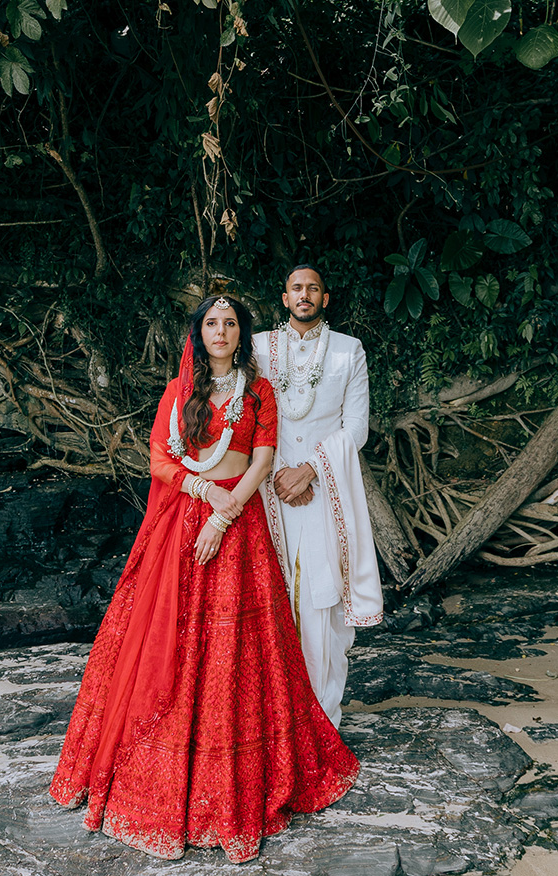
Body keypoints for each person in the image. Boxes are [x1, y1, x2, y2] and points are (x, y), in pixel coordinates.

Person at [49, 295, 358, 863]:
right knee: (166, 642)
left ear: (242, 334)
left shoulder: (258, 390)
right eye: (211, 323)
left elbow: (262, 461)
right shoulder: (180, 390)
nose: (220, 331)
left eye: (230, 323)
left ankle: (232, 780)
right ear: (200, 332)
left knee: (236, 653)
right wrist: (200, 493)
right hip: (180, 526)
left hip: (238, 523)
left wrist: (222, 513)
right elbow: (160, 460)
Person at [254, 265, 384, 730]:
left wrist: (309, 471)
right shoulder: (258, 347)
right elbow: (240, 413)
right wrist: (273, 476)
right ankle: (272, 719)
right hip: (265, 492)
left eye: (313, 288)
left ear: (325, 299)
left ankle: (323, 721)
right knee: (267, 596)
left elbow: (356, 429)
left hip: (324, 491)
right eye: (296, 288)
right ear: (284, 298)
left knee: (321, 600)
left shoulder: (349, 351)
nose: (304, 295)